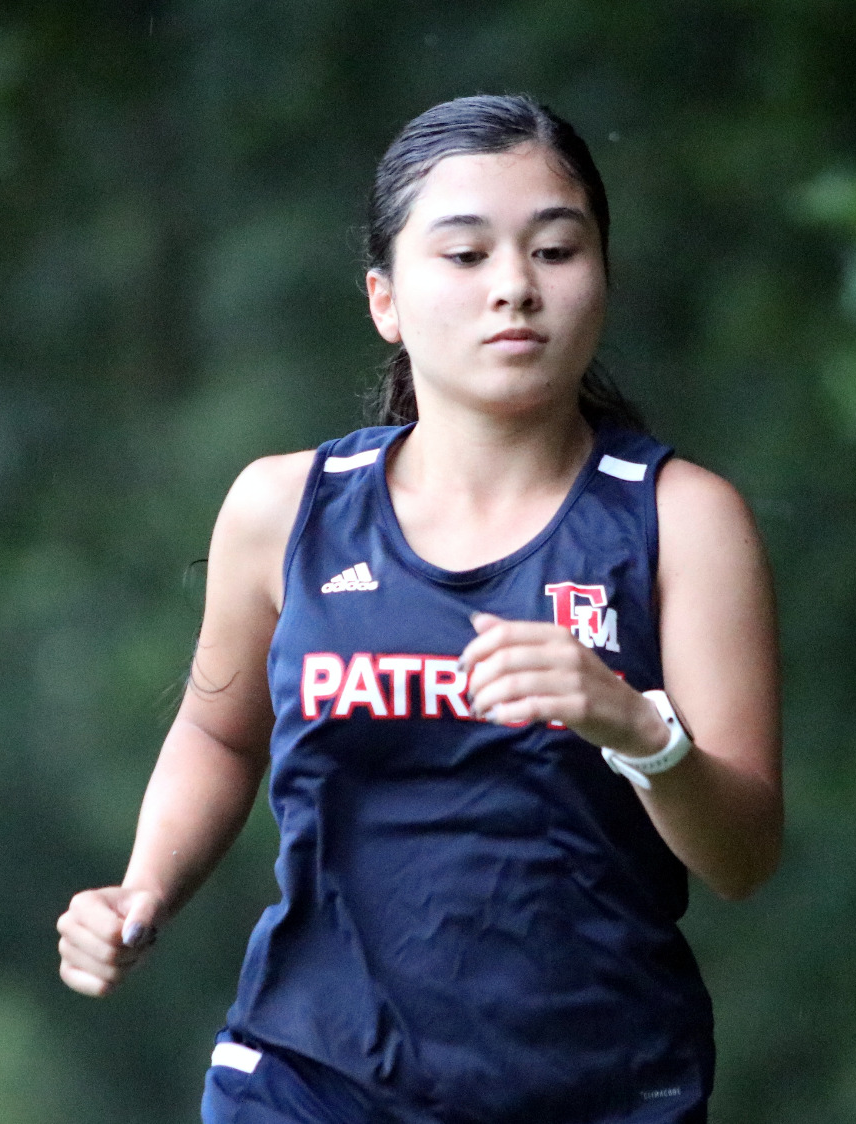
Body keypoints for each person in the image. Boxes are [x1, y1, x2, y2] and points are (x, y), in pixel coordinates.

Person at [55, 94, 782, 1124]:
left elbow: (744, 855)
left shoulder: (680, 521)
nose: (515, 289)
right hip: (309, 1077)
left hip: (598, 1085)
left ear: (602, 278)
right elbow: (218, 733)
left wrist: (631, 724)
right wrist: (141, 891)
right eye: (465, 255)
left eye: (555, 249)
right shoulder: (284, 508)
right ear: (383, 298)